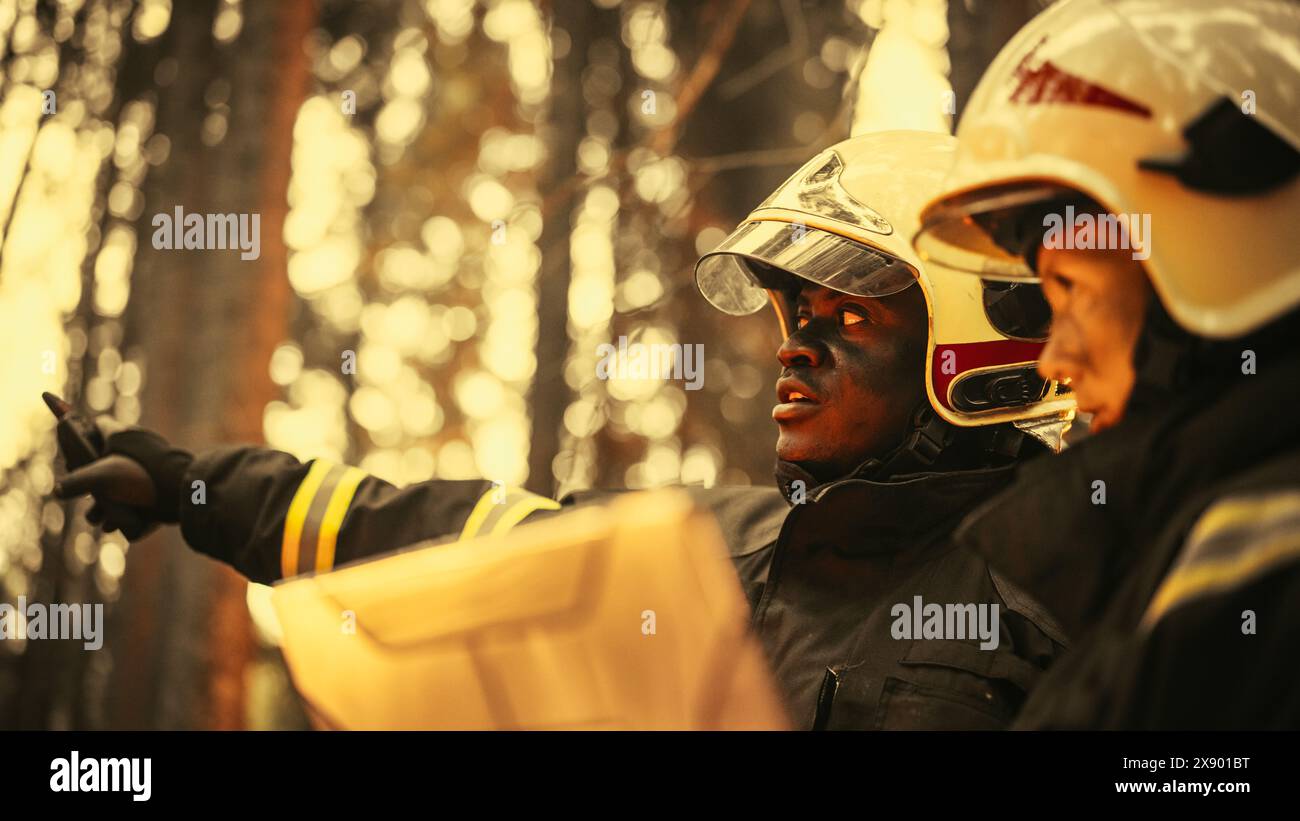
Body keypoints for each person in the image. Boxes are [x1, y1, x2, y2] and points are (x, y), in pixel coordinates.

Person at [55, 130, 1073, 729]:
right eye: (789, 315)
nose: (792, 349)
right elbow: (424, 532)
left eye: (848, 315)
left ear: (976, 344)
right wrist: (192, 486)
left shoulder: (1074, 596)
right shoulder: (704, 546)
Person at [912, 0, 1300, 728]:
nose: (1054, 361)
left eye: (1072, 291)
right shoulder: (1188, 550)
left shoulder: (1253, 571)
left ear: (1220, 253)